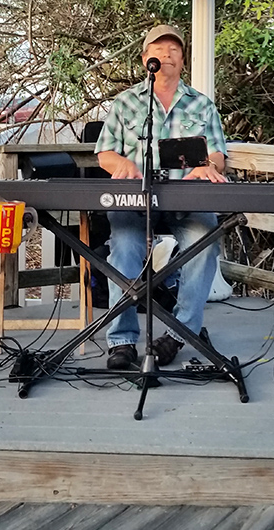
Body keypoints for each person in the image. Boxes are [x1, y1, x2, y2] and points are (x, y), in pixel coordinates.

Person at [95, 24, 228, 370]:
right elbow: (104, 154)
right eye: (159, 49)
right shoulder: (125, 103)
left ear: (183, 61)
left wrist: (206, 166)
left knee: (206, 238)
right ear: (145, 59)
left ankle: (179, 333)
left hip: (187, 201)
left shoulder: (201, 104)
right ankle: (122, 342)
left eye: (174, 51)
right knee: (123, 245)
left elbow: (217, 155)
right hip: (135, 200)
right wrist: (122, 163)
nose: (166, 55)